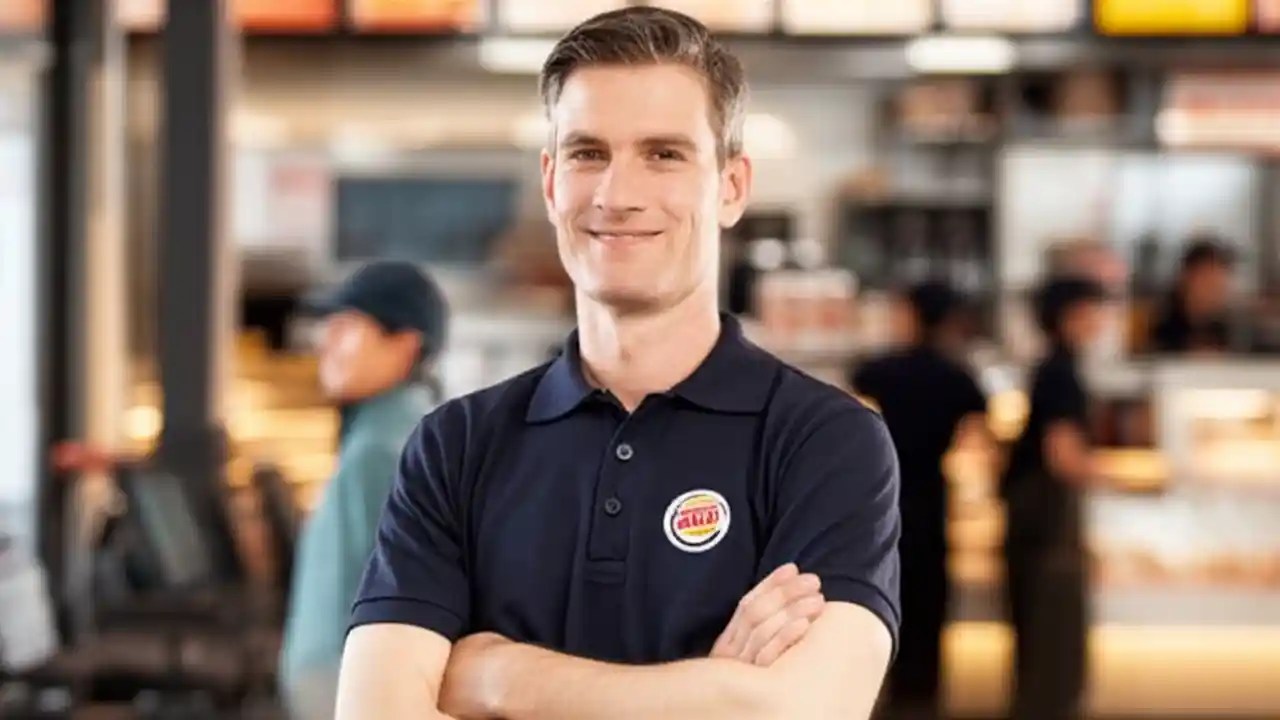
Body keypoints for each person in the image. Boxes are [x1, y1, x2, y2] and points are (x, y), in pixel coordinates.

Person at [336, 8, 901, 720]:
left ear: (730, 187)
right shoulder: (454, 446)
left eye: (664, 154)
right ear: (549, 182)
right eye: (587, 153)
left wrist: (499, 678)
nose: (618, 195)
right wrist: (710, 690)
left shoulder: (826, 443)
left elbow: (800, 709)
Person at [278, 260, 449, 720]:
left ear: (404, 345)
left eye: (347, 327)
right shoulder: (401, 434)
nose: (325, 343)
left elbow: (392, 614)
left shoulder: (383, 451)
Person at [851, 281, 989, 720]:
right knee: (930, 608)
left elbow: (852, 390)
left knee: (887, 600)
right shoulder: (958, 375)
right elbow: (981, 428)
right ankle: (923, 700)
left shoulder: (879, 370)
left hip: (886, 497)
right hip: (934, 496)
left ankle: (885, 697)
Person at [1000, 275, 1108, 720]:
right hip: (1048, 532)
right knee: (1054, 650)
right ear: (1070, 317)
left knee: (1040, 645)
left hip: (1032, 526)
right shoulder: (1062, 371)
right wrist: (1123, 480)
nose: (1102, 323)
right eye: (1094, 312)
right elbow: (1063, 456)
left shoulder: (1052, 366)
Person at [1150, 237, 1235, 354]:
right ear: (1187, 278)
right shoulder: (1160, 324)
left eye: (1219, 284)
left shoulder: (1233, 327)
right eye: (1207, 281)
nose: (1215, 292)